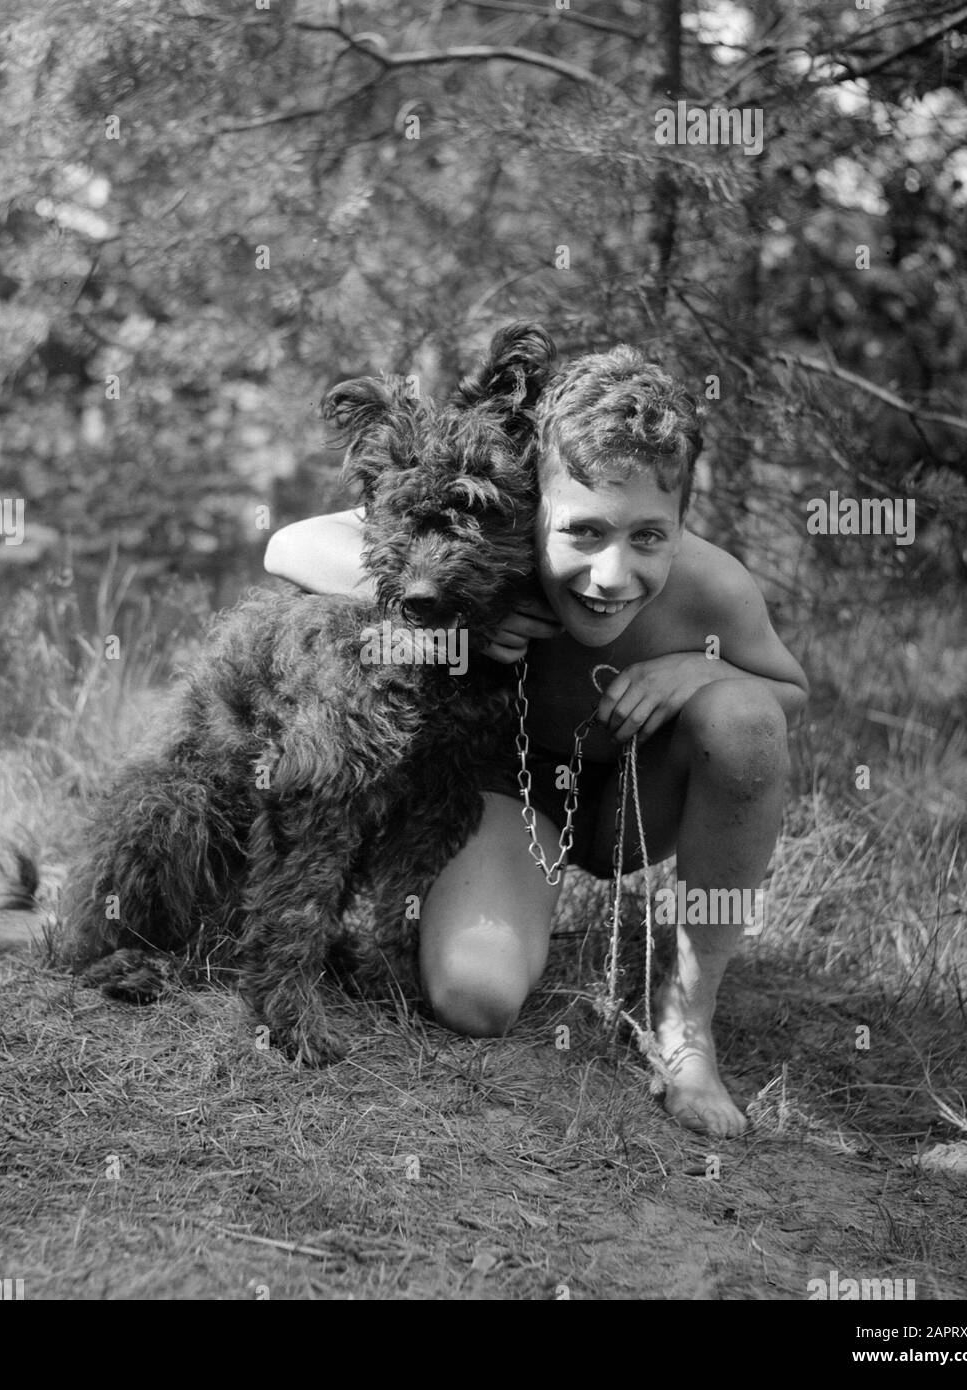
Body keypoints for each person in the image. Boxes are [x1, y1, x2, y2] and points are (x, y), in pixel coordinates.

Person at [263, 344, 808, 1137]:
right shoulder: (486, 533)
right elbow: (289, 545)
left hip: (632, 800)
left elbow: (789, 693)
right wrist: (460, 610)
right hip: (510, 800)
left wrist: (699, 667)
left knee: (746, 719)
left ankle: (689, 1024)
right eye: (583, 532)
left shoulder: (710, 588)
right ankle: (504, 909)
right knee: (473, 999)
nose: (612, 573)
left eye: (650, 537)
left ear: (681, 524)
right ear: (535, 502)